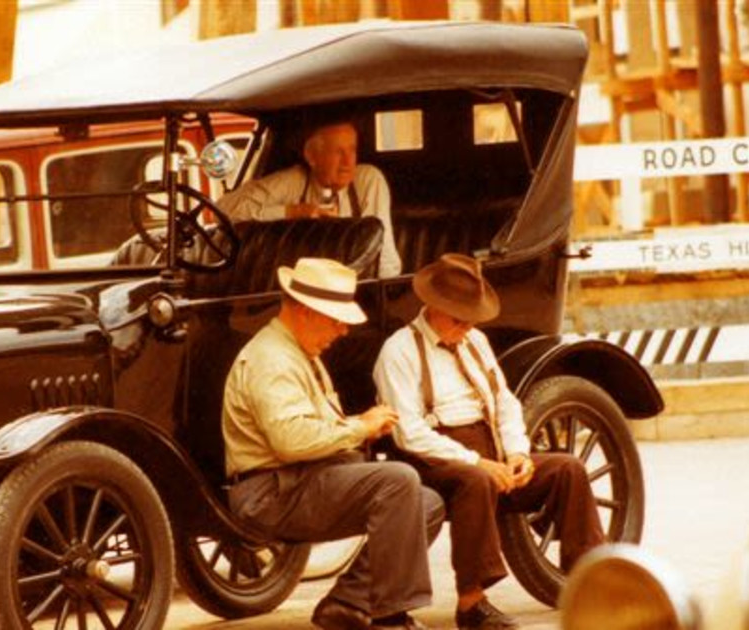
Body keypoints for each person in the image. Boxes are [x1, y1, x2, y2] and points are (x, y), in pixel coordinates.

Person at [373, 254, 606, 630]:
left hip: (493, 453)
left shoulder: (475, 341)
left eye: (470, 318)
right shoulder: (399, 351)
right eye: (457, 317)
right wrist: (475, 462)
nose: (465, 326)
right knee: (475, 480)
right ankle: (471, 603)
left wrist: (516, 452)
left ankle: (589, 584)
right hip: (435, 462)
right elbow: (409, 432)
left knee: (568, 468)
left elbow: (504, 401)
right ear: (432, 306)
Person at [223, 257, 442, 630]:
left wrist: (362, 429)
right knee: (399, 481)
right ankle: (390, 618)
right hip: (272, 493)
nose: (342, 330)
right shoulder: (273, 359)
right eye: (335, 319)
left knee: (426, 504)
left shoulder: (299, 353)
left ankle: (348, 603)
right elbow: (291, 441)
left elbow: (314, 430)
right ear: (306, 312)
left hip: (297, 481)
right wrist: (359, 426)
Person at [217, 120, 402, 278]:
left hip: (358, 286)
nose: (347, 162)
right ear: (312, 157)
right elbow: (223, 210)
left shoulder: (367, 180)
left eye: (352, 150)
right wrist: (291, 212)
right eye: (337, 152)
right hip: (302, 286)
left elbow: (381, 257)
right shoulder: (295, 180)